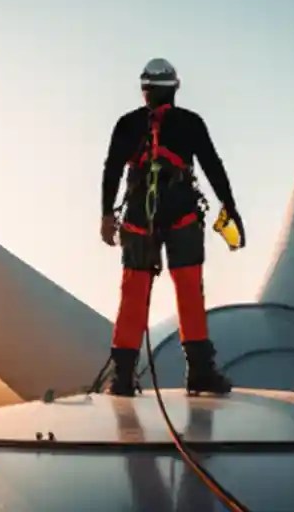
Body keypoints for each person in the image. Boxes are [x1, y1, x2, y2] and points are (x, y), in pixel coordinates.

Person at [100, 58, 244, 396]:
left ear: (144, 90)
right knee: (190, 291)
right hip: (182, 216)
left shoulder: (127, 124)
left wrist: (106, 213)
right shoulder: (190, 123)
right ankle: (200, 373)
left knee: (134, 294)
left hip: (139, 220)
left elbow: (112, 170)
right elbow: (211, 164)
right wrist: (230, 206)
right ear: (175, 88)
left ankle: (121, 377)